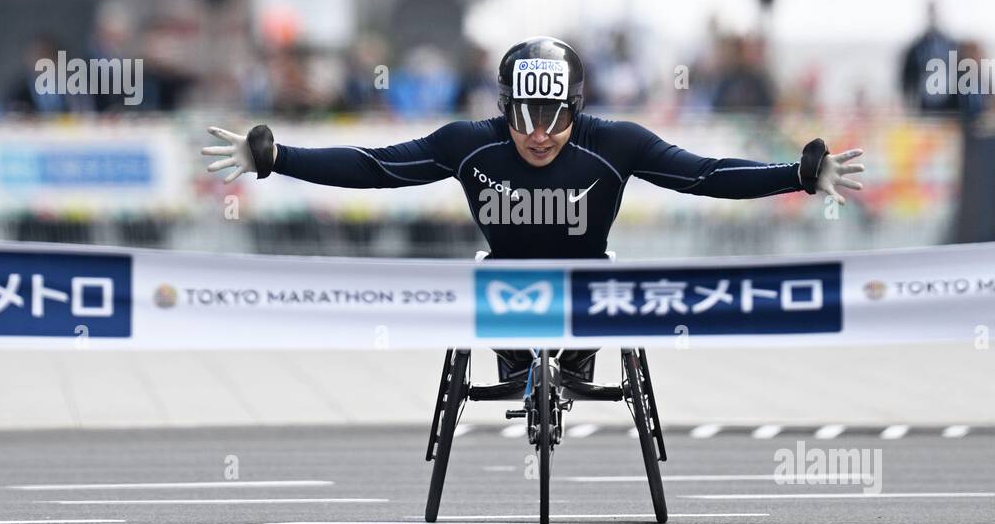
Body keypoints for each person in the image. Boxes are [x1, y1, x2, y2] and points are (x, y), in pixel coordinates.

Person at [203, 36, 863, 382]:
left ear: (577, 110)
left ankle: (572, 363)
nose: (540, 134)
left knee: (578, 346)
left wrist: (797, 176)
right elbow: (377, 168)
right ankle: (520, 368)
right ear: (502, 110)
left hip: (589, 286)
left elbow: (704, 175)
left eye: (555, 119)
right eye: (525, 119)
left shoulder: (615, 143)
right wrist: (277, 157)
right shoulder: (468, 145)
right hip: (503, 284)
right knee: (509, 351)